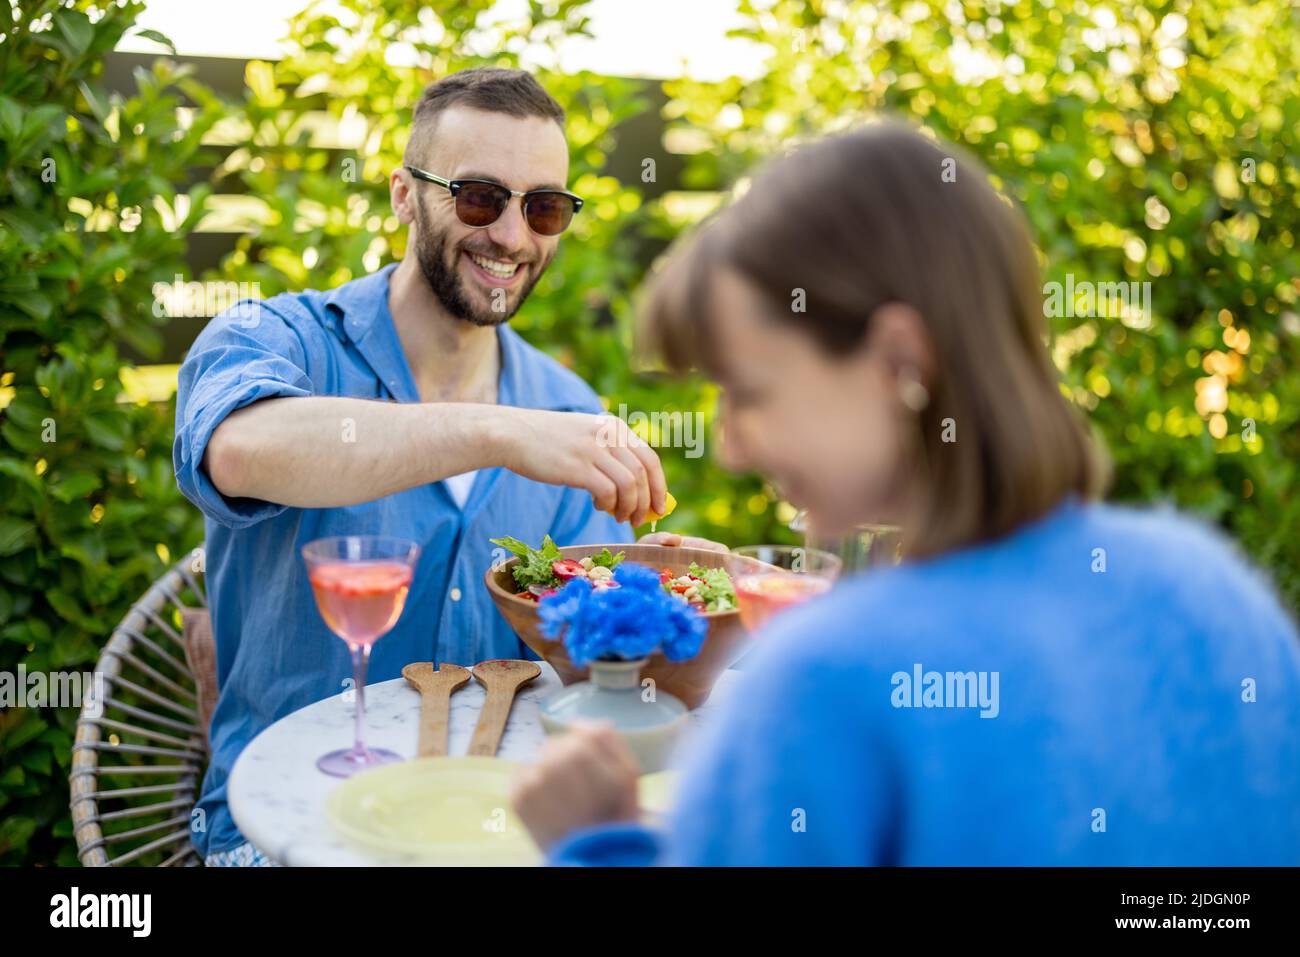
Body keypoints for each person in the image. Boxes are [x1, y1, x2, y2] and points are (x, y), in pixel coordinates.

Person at [510, 120, 1300, 865]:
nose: (730, 443)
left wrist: (599, 844)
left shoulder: (827, 678)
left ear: (898, 362)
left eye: (749, 391)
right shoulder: (1216, 592)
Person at [174, 67, 709, 865]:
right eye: (478, 197)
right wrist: (491, 431)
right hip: (285, 829)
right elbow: (240, 449)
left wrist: (660, 606)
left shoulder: (564, 408)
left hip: (488, 835)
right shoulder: (276, 337)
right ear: (402, 194)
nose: (513, 236)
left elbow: (587, 665)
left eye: (545, 207)